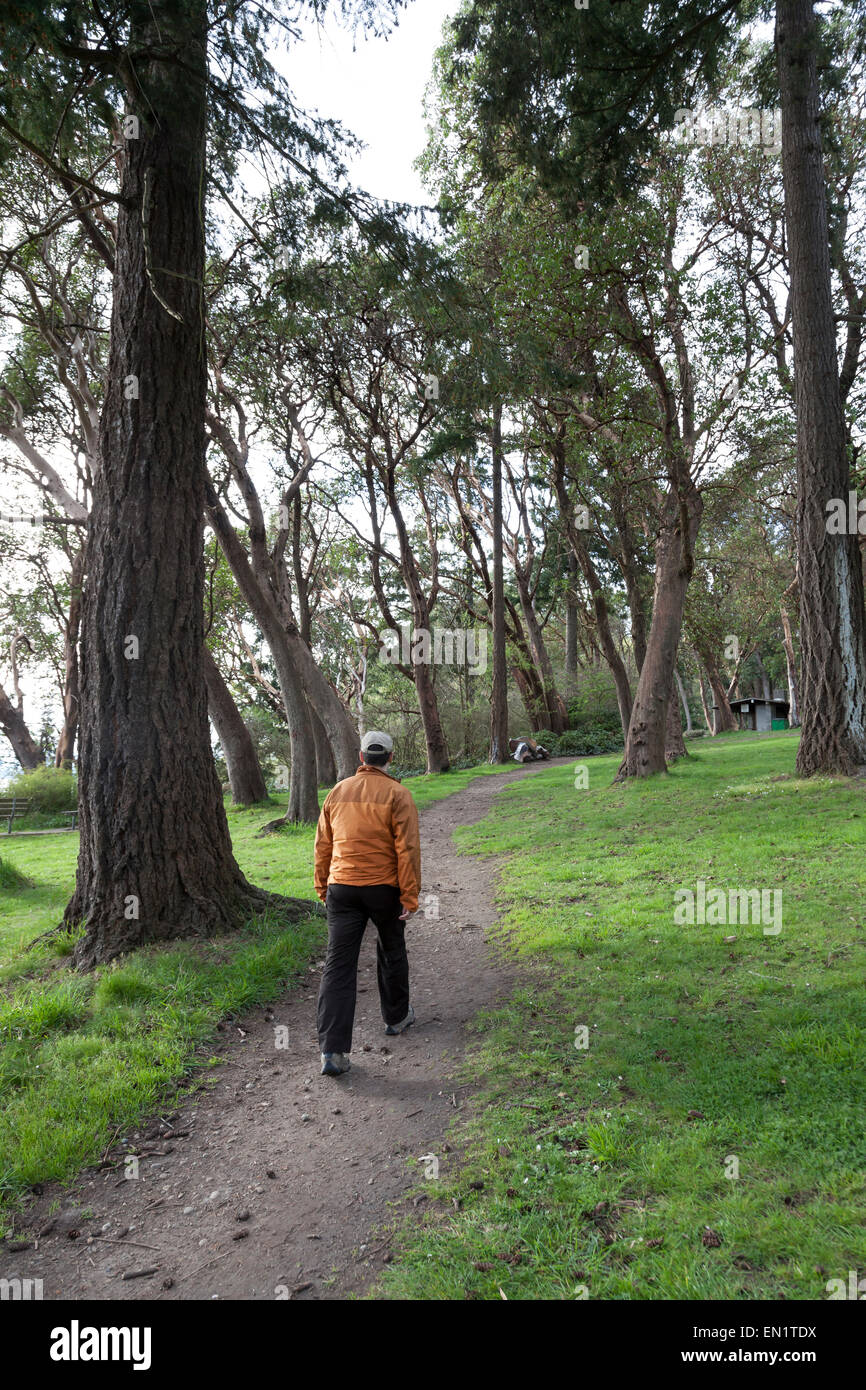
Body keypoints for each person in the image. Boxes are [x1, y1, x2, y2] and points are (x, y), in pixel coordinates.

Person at [313, 730, 421, 1077]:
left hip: (341, 888)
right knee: (392, 949)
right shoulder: (398, 794)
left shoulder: (337, 792)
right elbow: (407, 850)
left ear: (362, 758)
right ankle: (397, 1018)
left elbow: (322, 846)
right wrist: (409, 896)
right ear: (389, 758)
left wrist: (322, 888)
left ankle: (332, 1051)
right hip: (383, 889)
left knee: (338, 964)